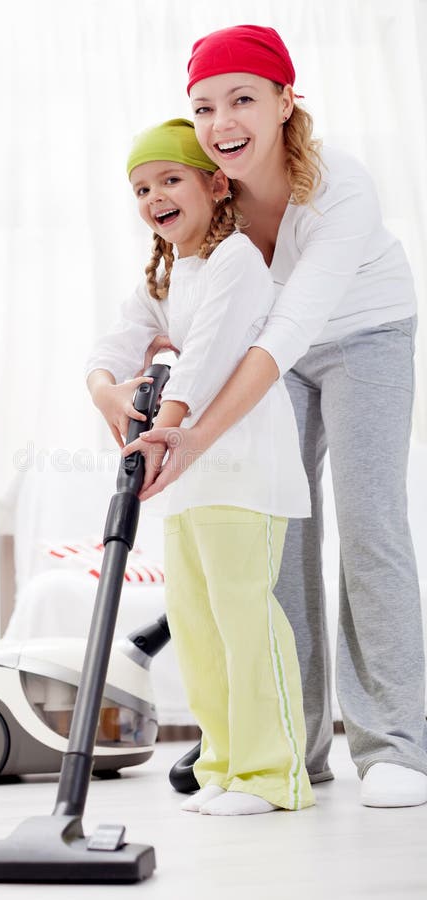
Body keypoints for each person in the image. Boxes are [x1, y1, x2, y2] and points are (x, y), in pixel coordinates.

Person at [124, 24, 427, 808]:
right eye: (204, 106)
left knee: (371, 522)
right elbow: (191, 297)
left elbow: (294, 328)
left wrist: (193, 435)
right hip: (269, 352)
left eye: (243, 99)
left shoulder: (339, 186)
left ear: (286, 100)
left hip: (366, 332)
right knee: (276, 529)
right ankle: (288, 744)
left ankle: (395, 744)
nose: (222, 122)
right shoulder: (209, 186)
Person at [86, 118, 314, 815]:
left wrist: (169, 423)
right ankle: (222, 764)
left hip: (243, 470)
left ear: (216, 185)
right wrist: (105, 390)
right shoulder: (161, 279)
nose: (154, 195)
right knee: (196, 621)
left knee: (245, 617)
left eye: (169, 179)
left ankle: (272, 775)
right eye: (141, 187)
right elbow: (114, 346)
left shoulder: (237, 260)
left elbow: (211, 353)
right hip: (183, 481)